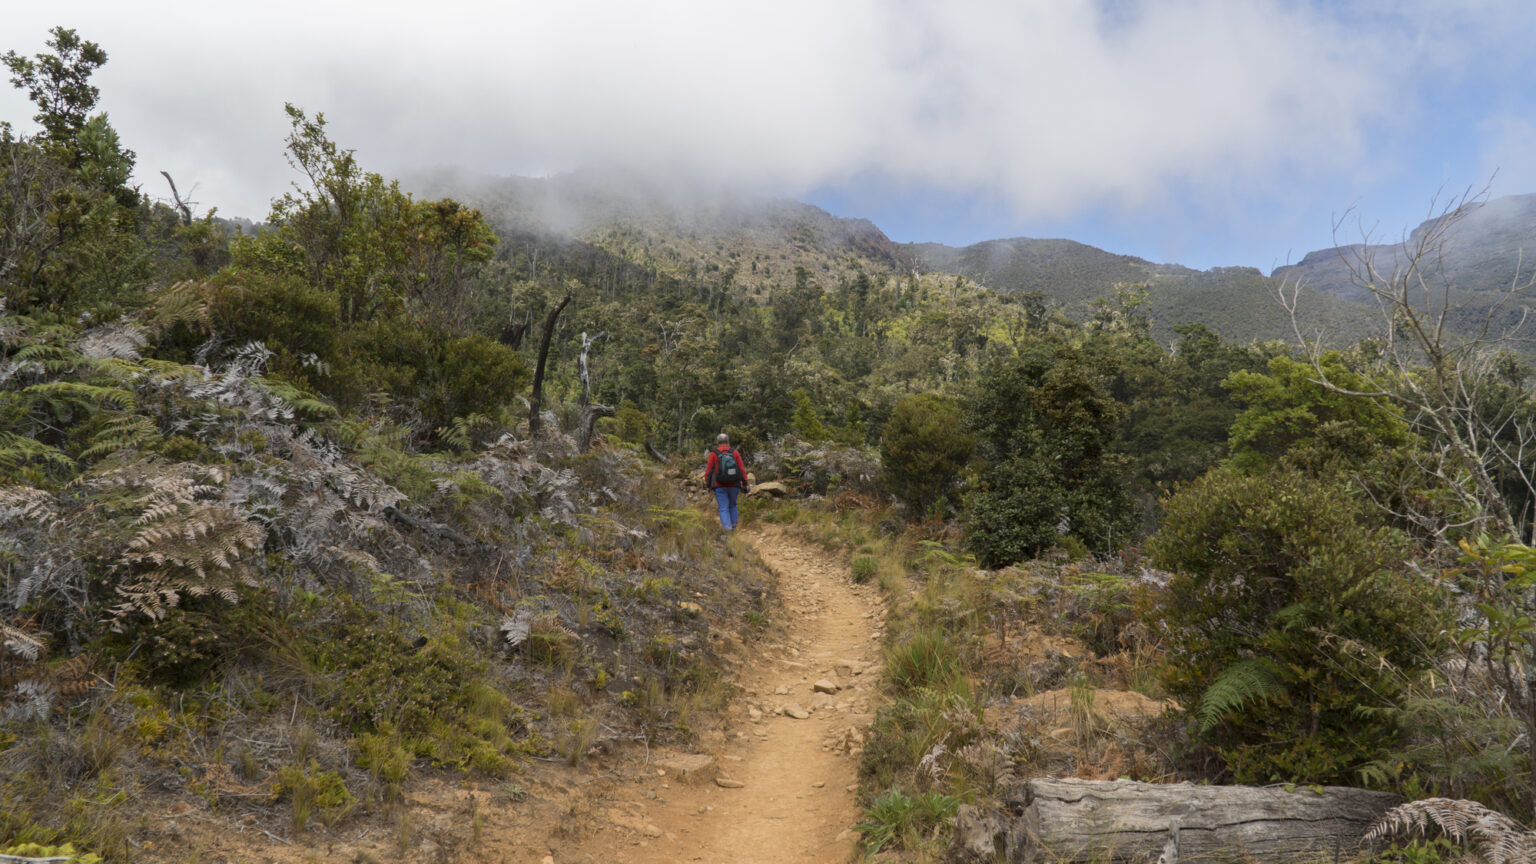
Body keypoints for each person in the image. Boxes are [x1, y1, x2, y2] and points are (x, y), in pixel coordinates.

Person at [704, 433, 749, 530]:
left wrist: (708, 486)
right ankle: (734, 527)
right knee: (733, 505)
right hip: (734, 484)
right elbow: (741, 469)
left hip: (719, 485)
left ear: (717, 442)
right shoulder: (735, 452)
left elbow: (708, 471)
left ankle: (727, 529)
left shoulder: (713, 454)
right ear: (728, 441)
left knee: (723, 507)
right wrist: (745, 483)